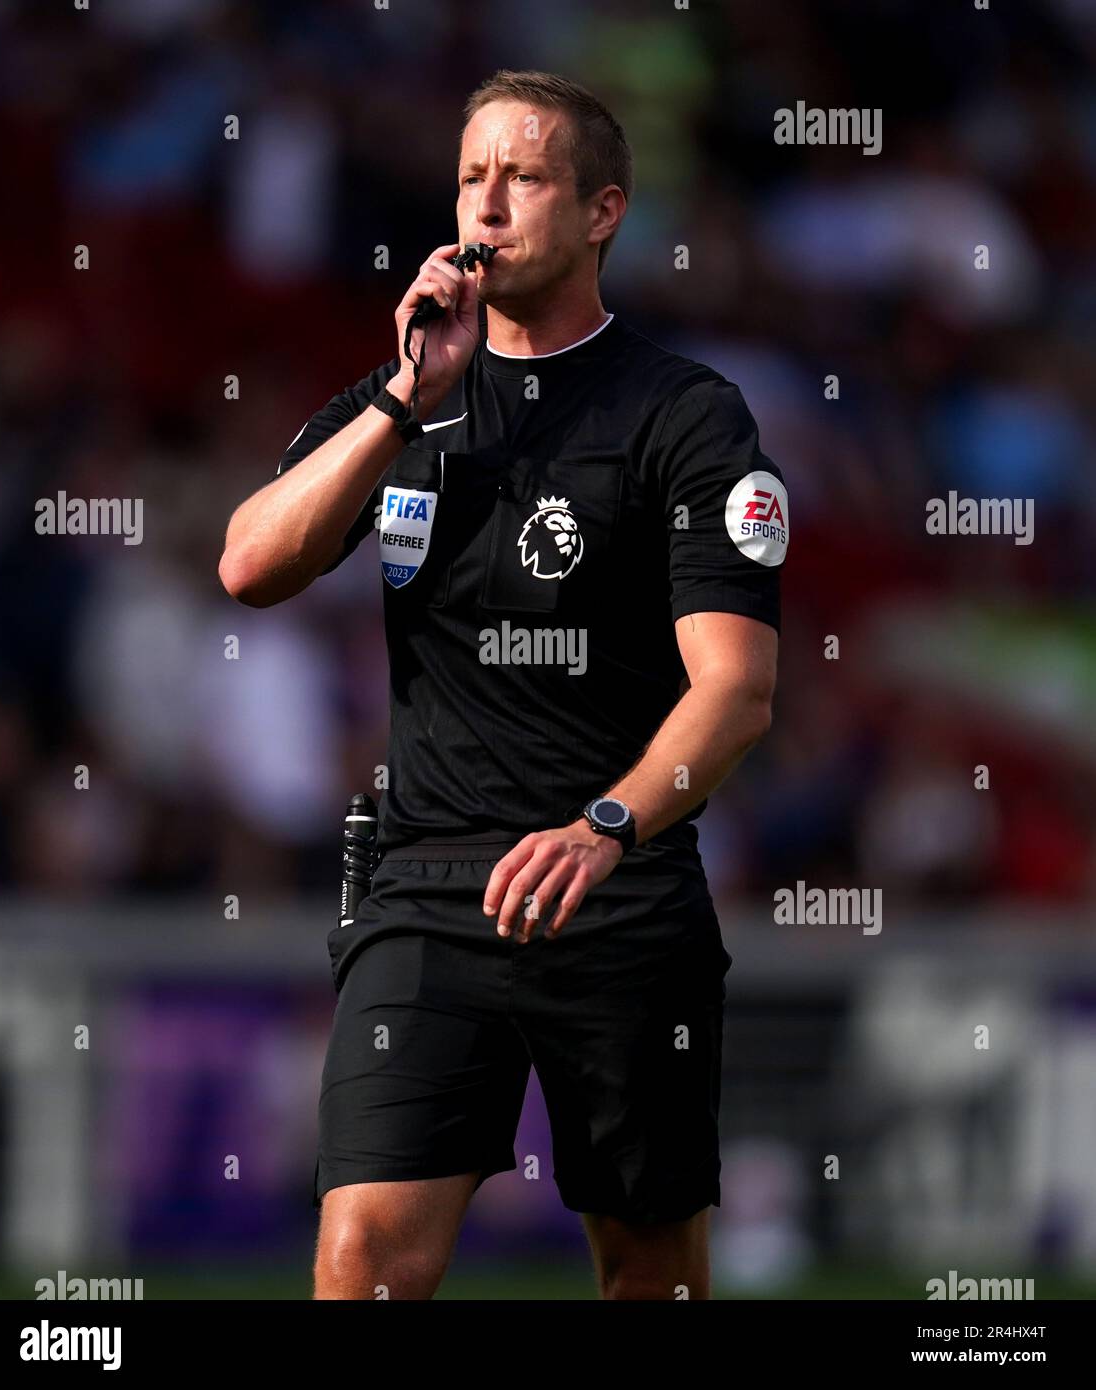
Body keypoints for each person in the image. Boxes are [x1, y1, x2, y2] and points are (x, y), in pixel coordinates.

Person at [219, 69, 788, 1300]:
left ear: (601, 212)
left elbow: (735, 691)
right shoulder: (410, 399)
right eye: (471, 177)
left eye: (523, 177)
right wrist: (399, 399)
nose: (487, 204)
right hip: (426, 887)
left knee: (651, 1271)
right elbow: (250, 564)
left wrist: (607, 824)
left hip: (619, 885)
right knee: (362, 1256)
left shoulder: (684, 418)